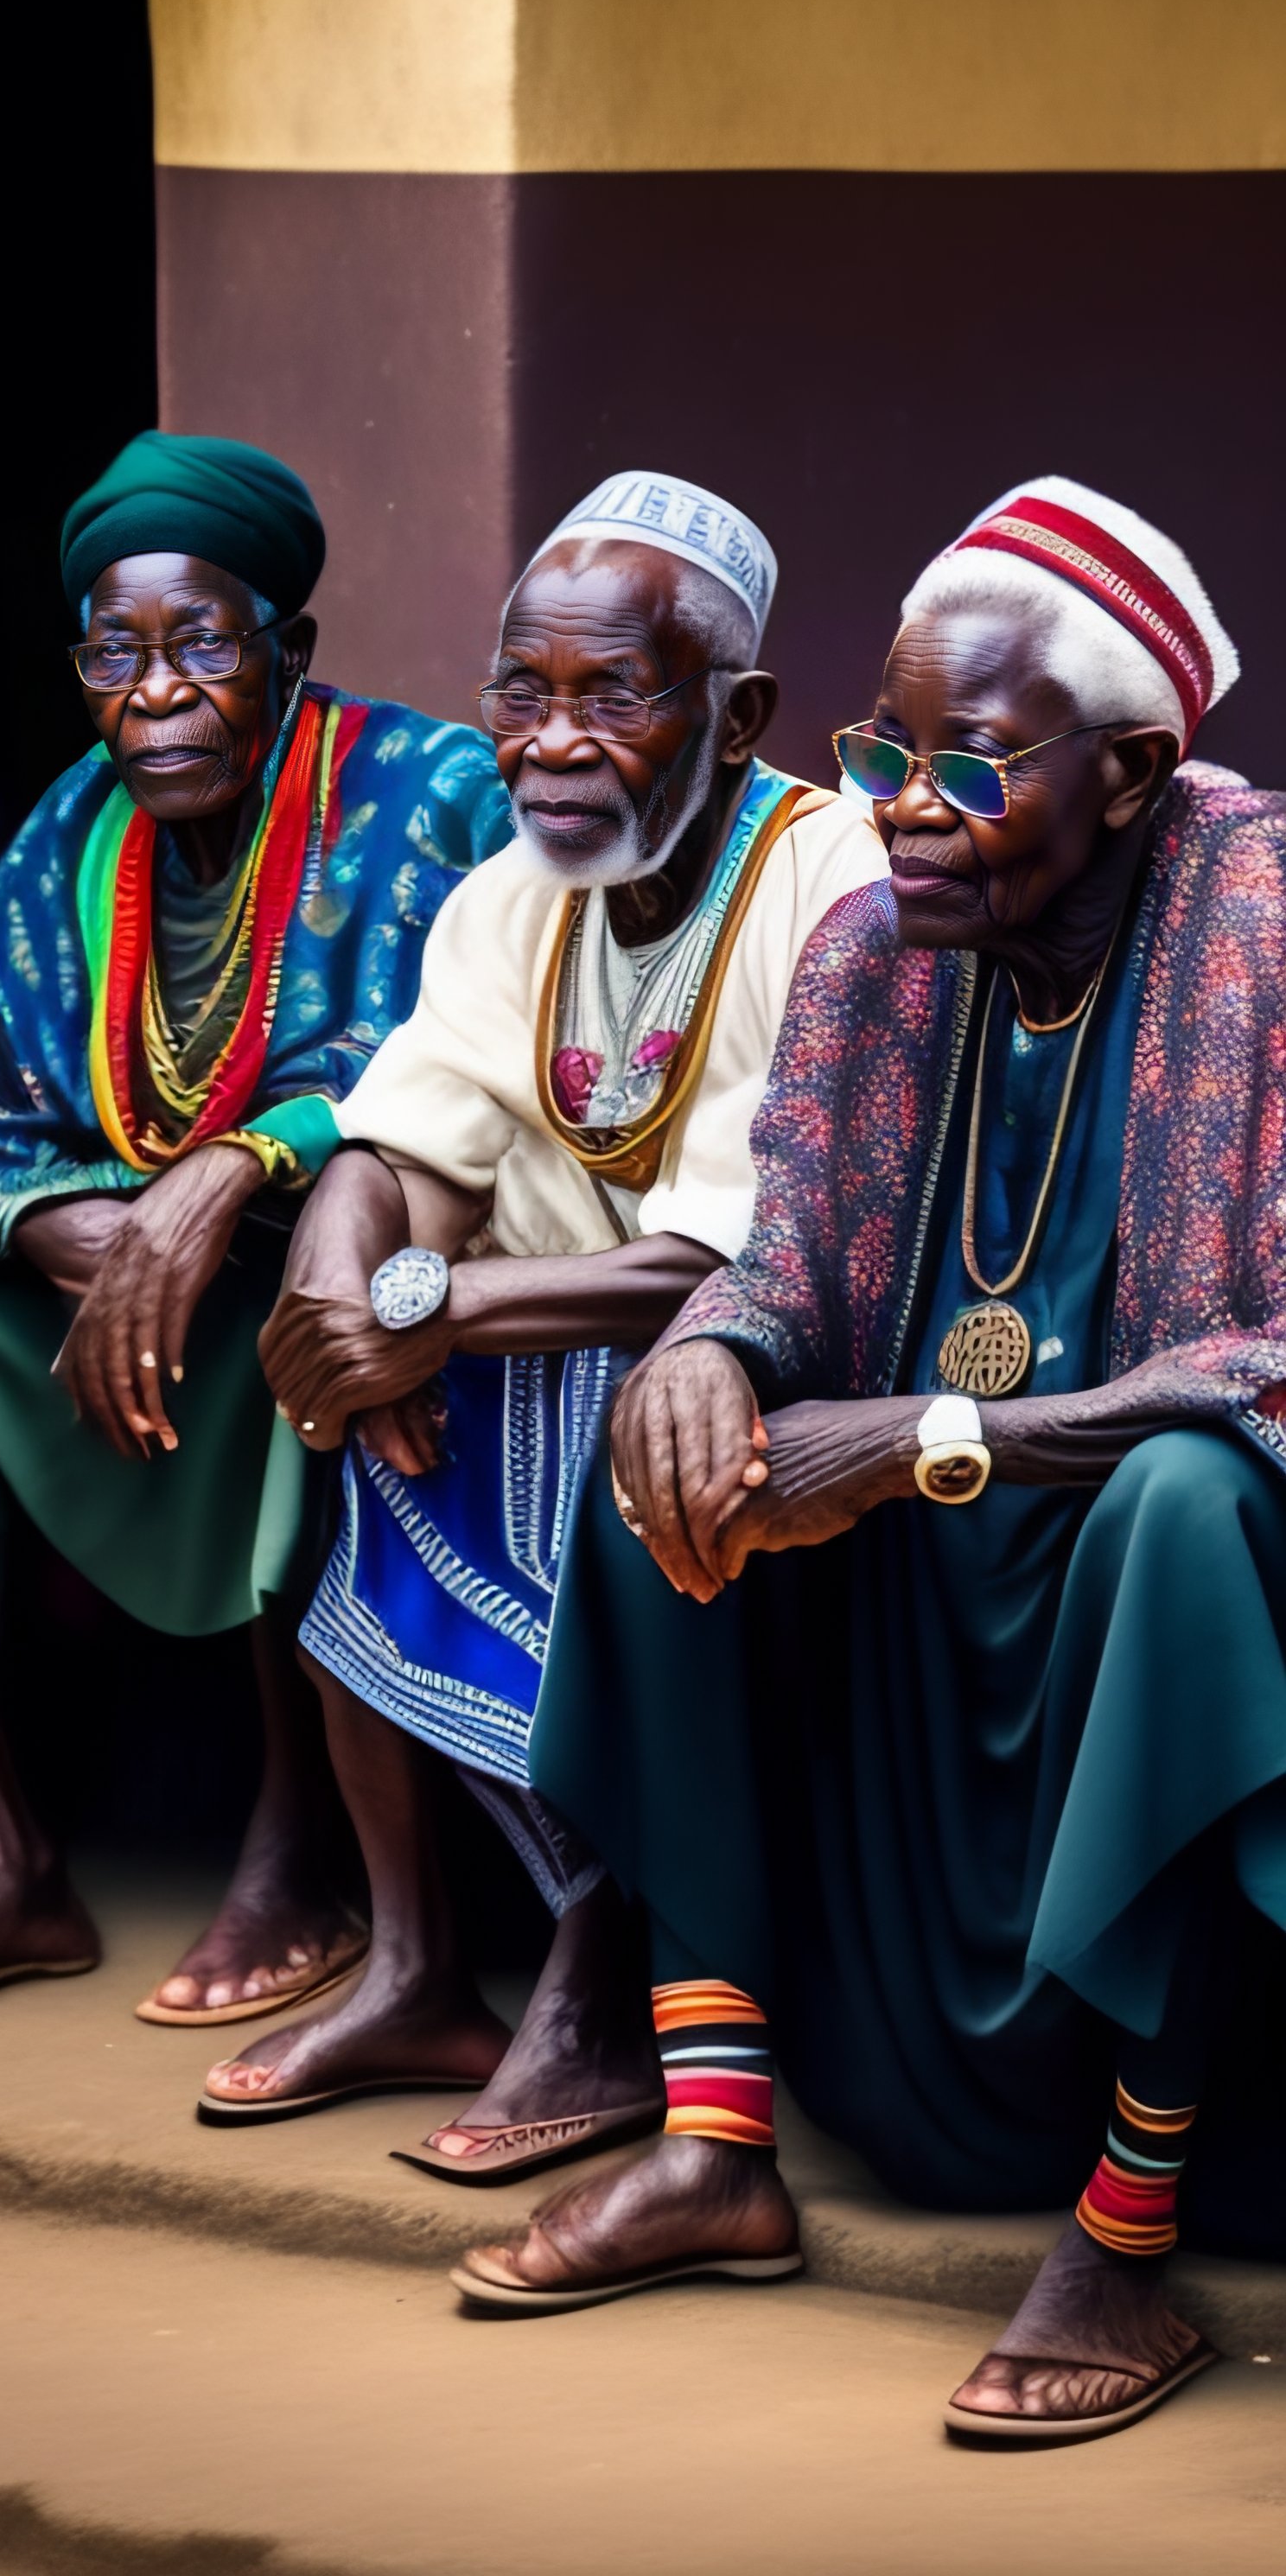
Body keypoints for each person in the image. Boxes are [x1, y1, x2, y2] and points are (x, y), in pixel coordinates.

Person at [457, 476, 1286, 2446]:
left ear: (1138, 768)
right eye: (883, 752)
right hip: (915, 1721)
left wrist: (928, 1437)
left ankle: (1128, 2216)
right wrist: (715, 1354)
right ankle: (721, 2133)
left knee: (1189, 1506)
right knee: (676, 1436)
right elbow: (791, 1265)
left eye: (975, 765)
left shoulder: (1264, 924)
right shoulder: (877, 951)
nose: (908, 803)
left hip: (1153, 1662)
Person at [0, 429, 510, 2032]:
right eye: (119, 652)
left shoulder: (431, 791)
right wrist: (83, 1240)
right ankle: (7, 1854)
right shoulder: (59, 849)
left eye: (202, 648)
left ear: (289, 652)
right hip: (120, 1296)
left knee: (314, 1269)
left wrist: (229, 1172)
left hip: (331, 1274)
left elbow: (460, 1055)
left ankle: (293, 1841)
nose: (158, 693)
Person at [201, 473, 886, 2175]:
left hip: (782, 1368)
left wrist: (419, 1310)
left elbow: (742, 1257)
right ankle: (423, 1963)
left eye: (613, 695)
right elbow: (397, 1140)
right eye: (524, 690)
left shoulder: (836, 881)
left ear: (736, 717)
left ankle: (598, 1981)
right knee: (339, 1407)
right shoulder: (509, 895)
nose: (551, 743)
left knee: (597, 1416)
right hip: (528, 1344)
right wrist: (337, 1287)